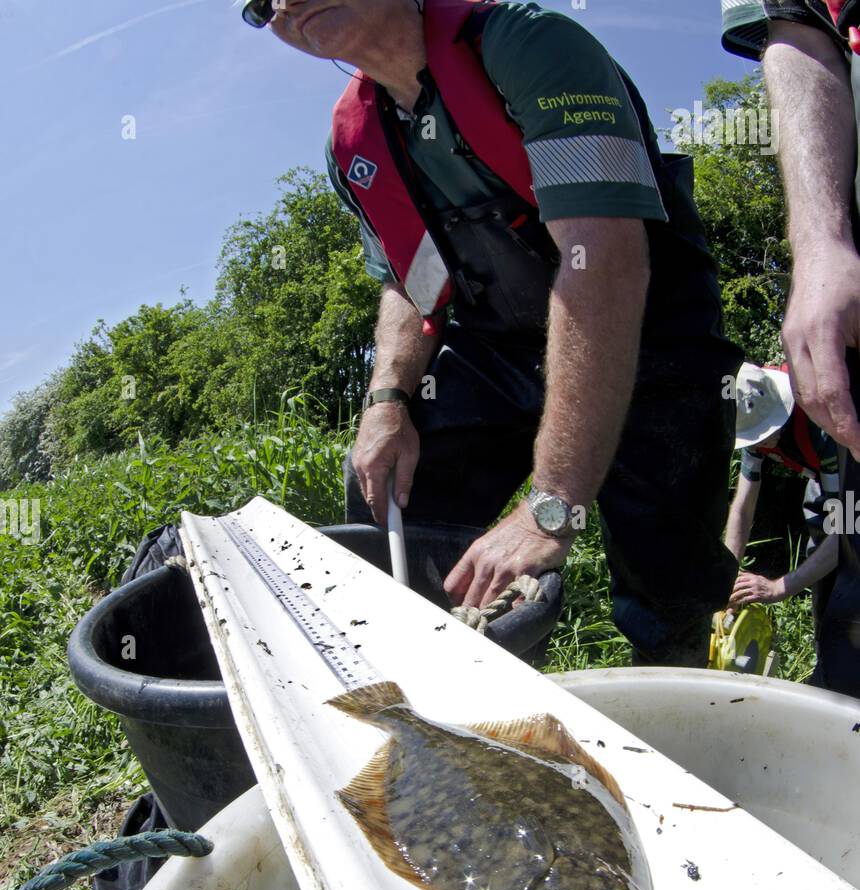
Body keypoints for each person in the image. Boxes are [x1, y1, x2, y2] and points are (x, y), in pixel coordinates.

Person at [244, 0, 743, 666]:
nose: (281, 6)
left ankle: (680, 703)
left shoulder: (530, 48)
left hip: (648, 333)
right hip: (498, 349)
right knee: (392, 487)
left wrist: (554, 502)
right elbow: (411, 281)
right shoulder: (355, 145)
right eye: (258, 3)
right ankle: (460, 694)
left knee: (668, 580)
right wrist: (387, 400)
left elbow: (605, 258)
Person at [722, 0, 860, 696]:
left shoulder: (830, 410)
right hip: (829, 504)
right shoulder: (766, 417)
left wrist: (778, 585)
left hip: (840, 502)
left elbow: (844, 527)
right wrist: (723, 580)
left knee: (841, 593)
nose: (769, 445)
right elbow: (741, 511)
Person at [726, 362, 839, 638]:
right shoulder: (752, 404)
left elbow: (847, 530)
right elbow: (743, 505)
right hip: (825, 481)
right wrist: (727, 576)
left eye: (761, 437)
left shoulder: (825, 425)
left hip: (851, 484)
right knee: (825, 586)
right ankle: (827, 653)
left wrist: (779, 588)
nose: (756, 446)